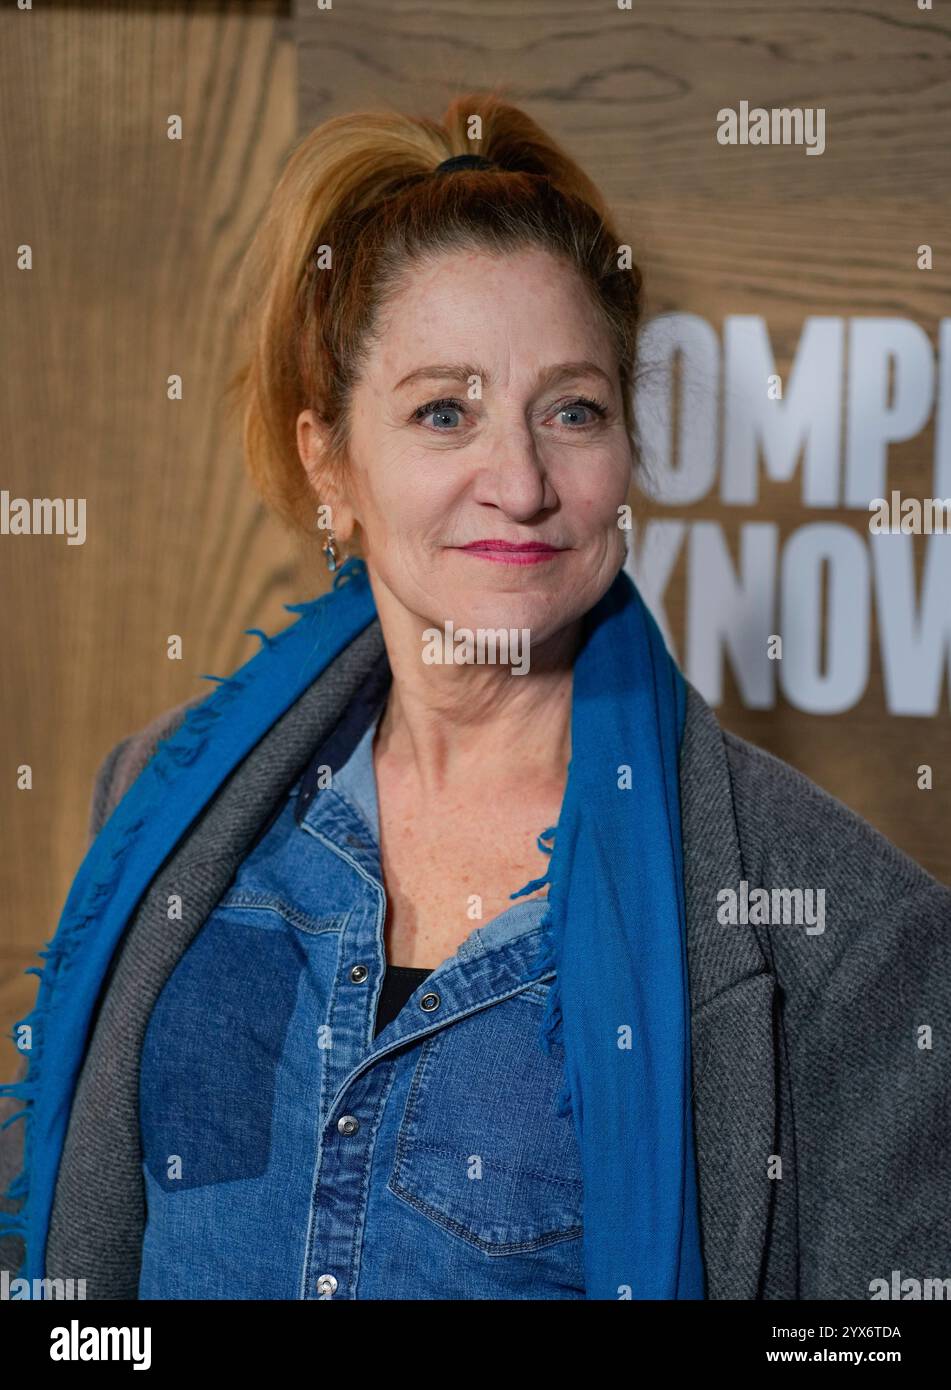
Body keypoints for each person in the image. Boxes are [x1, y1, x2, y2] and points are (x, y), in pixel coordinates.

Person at [1, 93, 949, 1302]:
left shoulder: (848, 933)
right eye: (444, 411)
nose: (522, 480)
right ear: (329, 462)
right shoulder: (159, 805)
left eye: (573, 410)